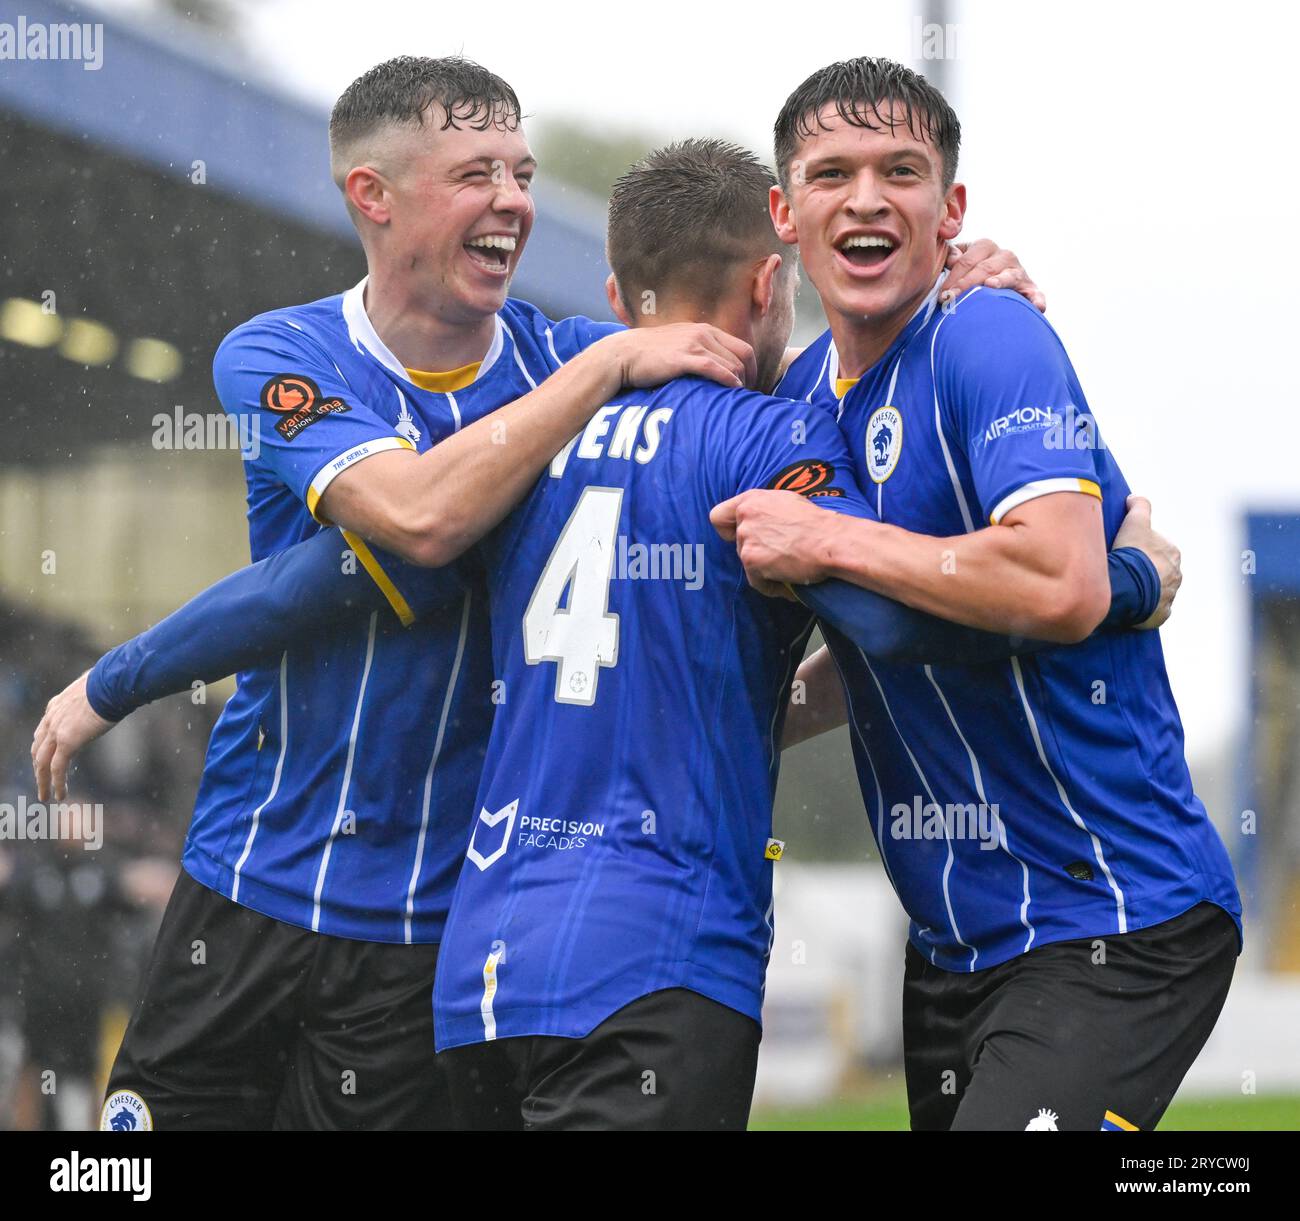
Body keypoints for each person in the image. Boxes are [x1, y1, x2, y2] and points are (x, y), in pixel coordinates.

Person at [31, 56, 1032, 1132]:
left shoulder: (560, 369)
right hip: (250, 878)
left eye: (523, 169)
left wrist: (943, 301)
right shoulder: (293, 352)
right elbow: (391, 535)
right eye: (477, 174)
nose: (513, 198)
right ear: (374, 195)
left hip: (429, 935)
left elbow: (750, 372)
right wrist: (117, 680)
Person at [714, 57, 1241, 1132]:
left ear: (949, 208)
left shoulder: (988, 333)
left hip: (1109, 916)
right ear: (785, 211)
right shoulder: (800, 395)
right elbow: (889, 643)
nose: (865, 198)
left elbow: (1053, 579)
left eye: (899, 171)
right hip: (954, 938)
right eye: (831, 173)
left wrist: (832, 536)